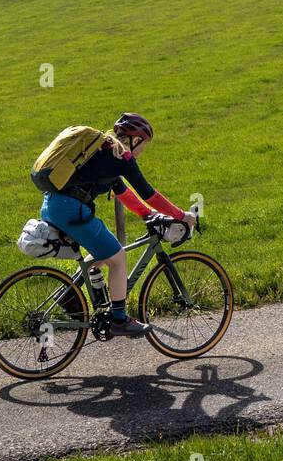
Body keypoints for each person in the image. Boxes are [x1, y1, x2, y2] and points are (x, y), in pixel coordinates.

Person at [38, 112, 195, 337]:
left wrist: (148, 215)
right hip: (71, 210)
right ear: (136, 139)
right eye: (144, 145)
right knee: (118, 257)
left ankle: (69, 295)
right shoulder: (122, 157)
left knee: (104, 253)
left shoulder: (104, 151)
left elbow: (124, 193)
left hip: (53, 205)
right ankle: (119, 320)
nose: (142, 151)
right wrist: (181, 215)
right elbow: (147, 192)